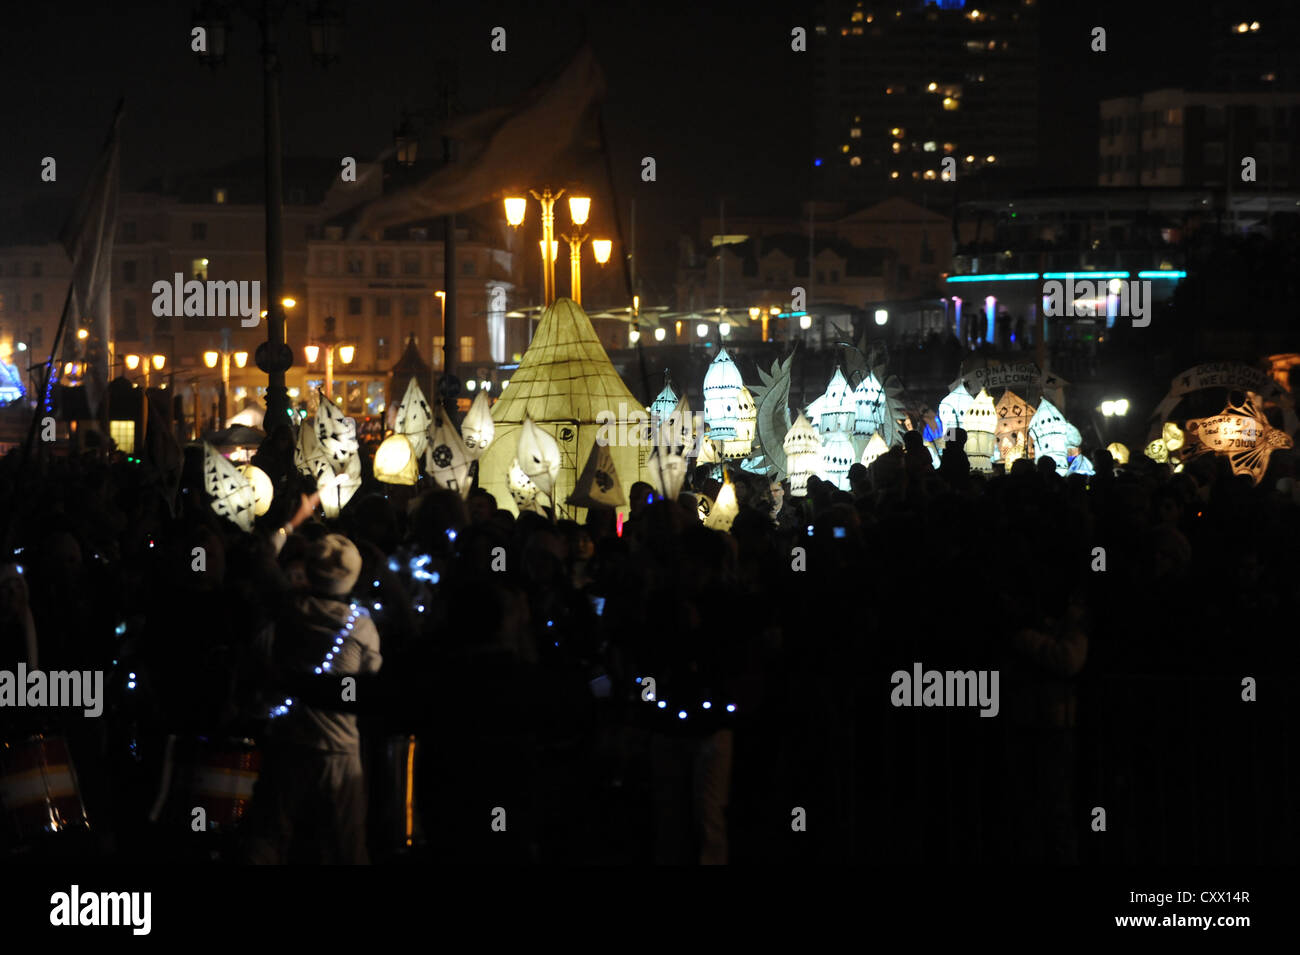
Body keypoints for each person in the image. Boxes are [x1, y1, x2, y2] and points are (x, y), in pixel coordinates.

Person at [243, 533, 382, 864]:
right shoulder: (361, 627)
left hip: (288, 742)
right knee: (345, 846)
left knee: (269, 837)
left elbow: (262, 559)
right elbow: (371, 679)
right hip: (339, 751)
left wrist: (290, 524)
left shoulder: (288, 608)